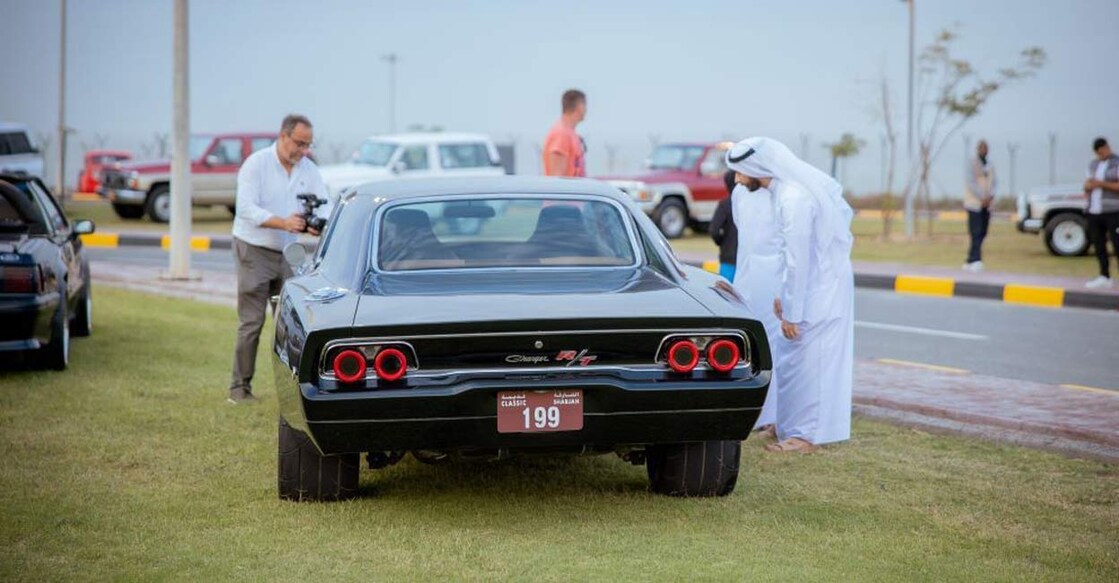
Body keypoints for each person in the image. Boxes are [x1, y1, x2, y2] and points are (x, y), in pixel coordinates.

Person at [725, 137, 855, 453]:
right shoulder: (782, 192)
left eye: (740, 171)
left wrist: (793, 312)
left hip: (820, 289)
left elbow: (798, 259)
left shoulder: (794, 198)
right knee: (792, 359)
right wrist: (785, 297)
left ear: (757, 167)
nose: (737, 179)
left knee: (811, 361)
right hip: (805, 286)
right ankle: (786, 426)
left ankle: (806, 435)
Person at [228, 114, 327, 404]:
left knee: (292, 325)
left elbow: (325, 204)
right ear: (283, 136)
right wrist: (283, 222)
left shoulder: (309, 169)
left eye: (308, 145)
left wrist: (317, 223)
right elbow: (245, 209)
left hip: (289, 252)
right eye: (299, 143)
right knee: (252, 322)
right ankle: (239, 389)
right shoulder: (256, 164)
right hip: (253, 249)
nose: (303, 150)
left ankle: (296, 392)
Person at [727, 164, 782, 435]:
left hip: (776, 278)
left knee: (775, 346)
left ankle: (774, 416)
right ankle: (754, 413)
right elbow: (743, 236)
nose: (737, 179)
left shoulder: (783, 193)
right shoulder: (739, 193)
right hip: (748, 276)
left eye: (740, 172)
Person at [1084, 137, 1119, 289]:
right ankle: (1104, 276)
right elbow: (1086, 184)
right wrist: (1088, 186)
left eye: (1104, 149)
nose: (1103, 153)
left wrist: (1101, 184)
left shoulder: (1116, 163)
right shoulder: (1093, 164)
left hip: (1113, 211)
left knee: (1117, 245)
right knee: (1099, 245)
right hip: (1094, 211)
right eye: (1099, 152)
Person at [963, 139, 997, 272]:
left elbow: (994, 182)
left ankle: (970, 259)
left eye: (986, 148)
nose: (984, 150)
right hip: (974, 203)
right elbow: (970, 182)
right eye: (982, 148)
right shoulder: (971, 163)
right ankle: (976, 259)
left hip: (987, 204)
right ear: (978, 149)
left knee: (983, 232)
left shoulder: (990, 164)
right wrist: (982, 197)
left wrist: (990, 196)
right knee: (975, 232)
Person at [542, 89, 587, 177]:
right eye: (585, 105)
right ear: (580, 107)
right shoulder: (561, 134)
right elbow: (557, 176)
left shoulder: (570, 134)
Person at [709, 170, 739, 281]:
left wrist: (722, 242)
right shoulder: (750, 204)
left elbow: (714, 230)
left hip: (728, 256)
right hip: (746, 258)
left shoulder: (724, 204)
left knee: (726, 288)